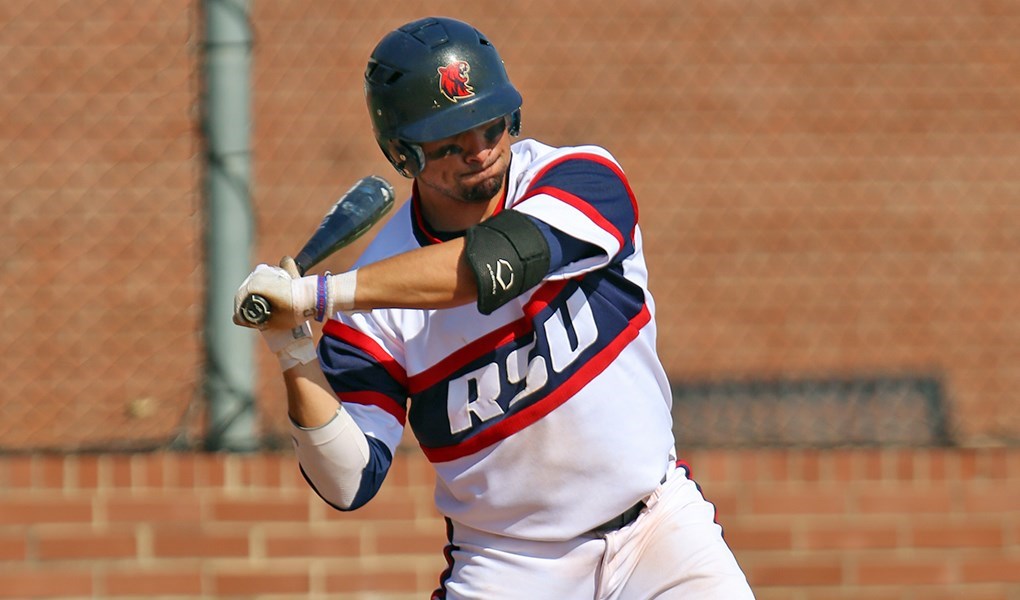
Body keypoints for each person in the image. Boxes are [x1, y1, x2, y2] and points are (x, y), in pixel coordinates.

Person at [234, 16, 755, 600]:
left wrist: (317, 292)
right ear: (401, 153)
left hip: (657, 530)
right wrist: (293, 351)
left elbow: (498, 263)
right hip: (509, 562)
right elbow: (349, 480)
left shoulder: (580, 178)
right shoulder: (373, 302)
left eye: (491, 125)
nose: (480, 151)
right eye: (450, 139)